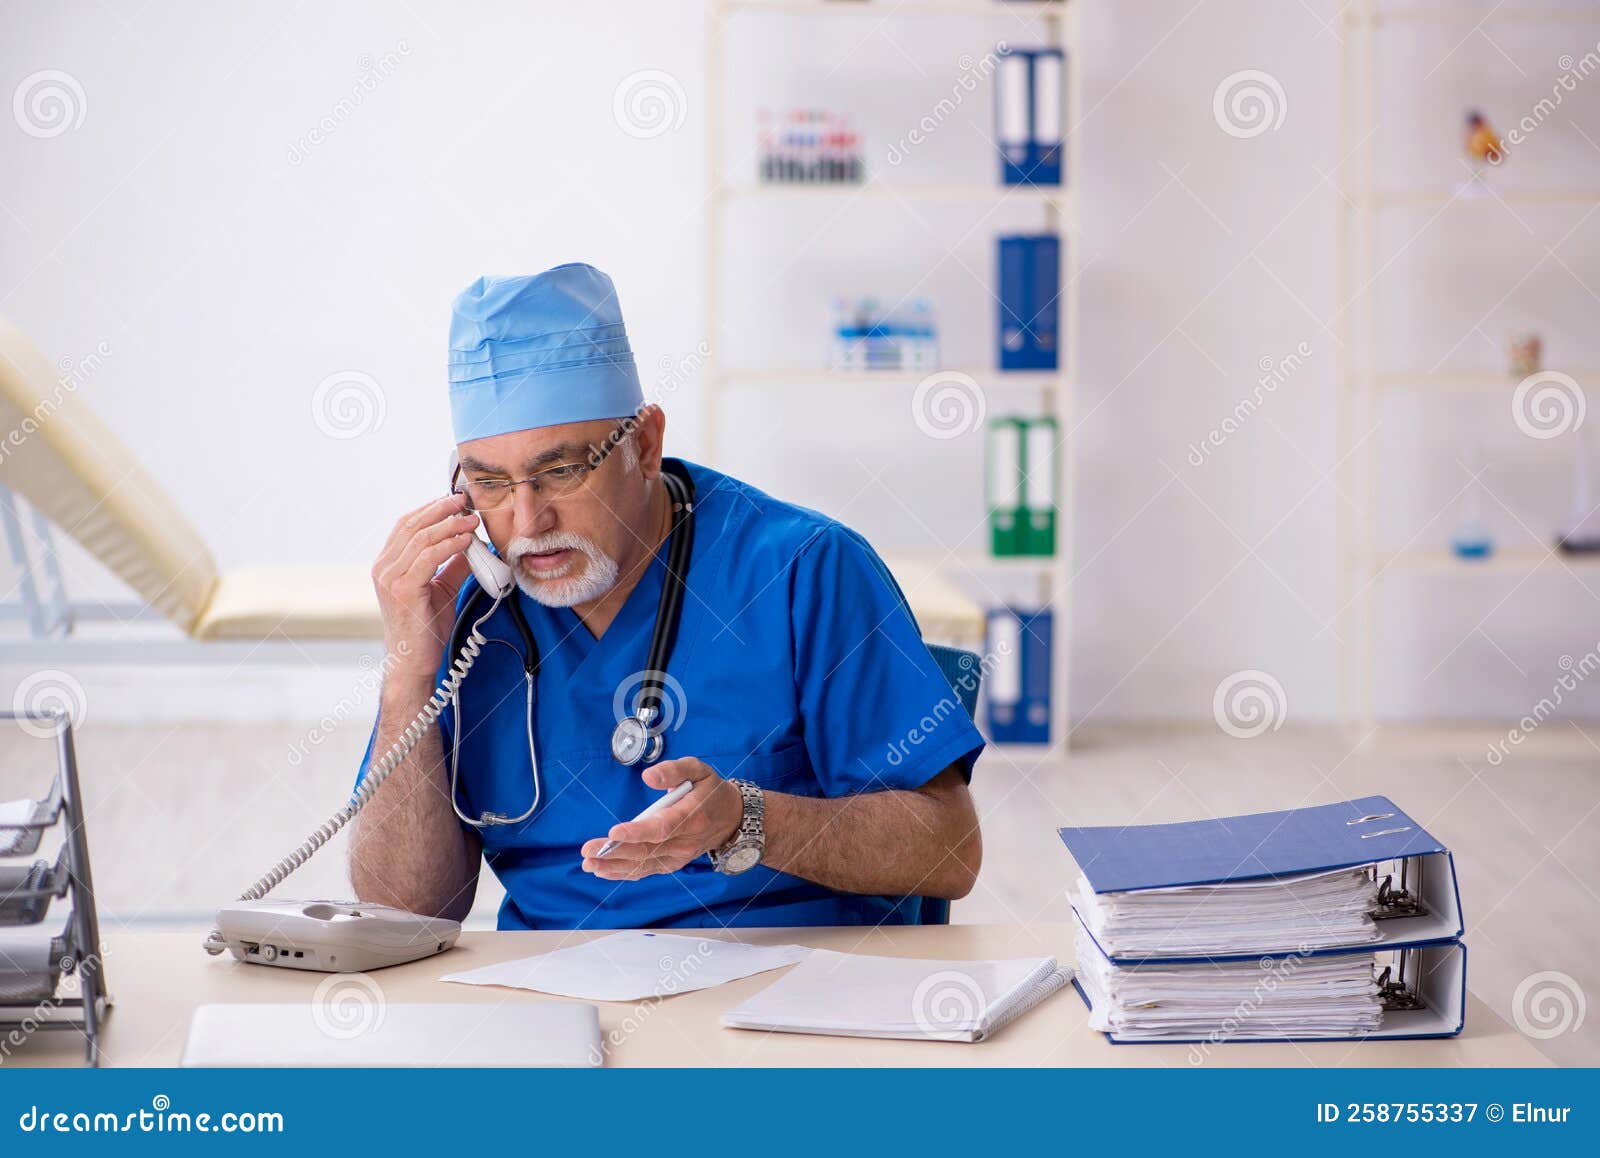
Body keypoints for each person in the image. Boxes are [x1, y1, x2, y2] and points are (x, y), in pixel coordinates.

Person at [349, 262, 983, 930]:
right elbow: (401, 910)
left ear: (645, 444)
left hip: (782, 989)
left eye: (559, 471)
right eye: (490, 483)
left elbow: (949, 850)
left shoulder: (802, 570)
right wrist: (407, 676)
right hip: (555, 996)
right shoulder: (467, 611)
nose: (527, 522)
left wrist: (749, 821)